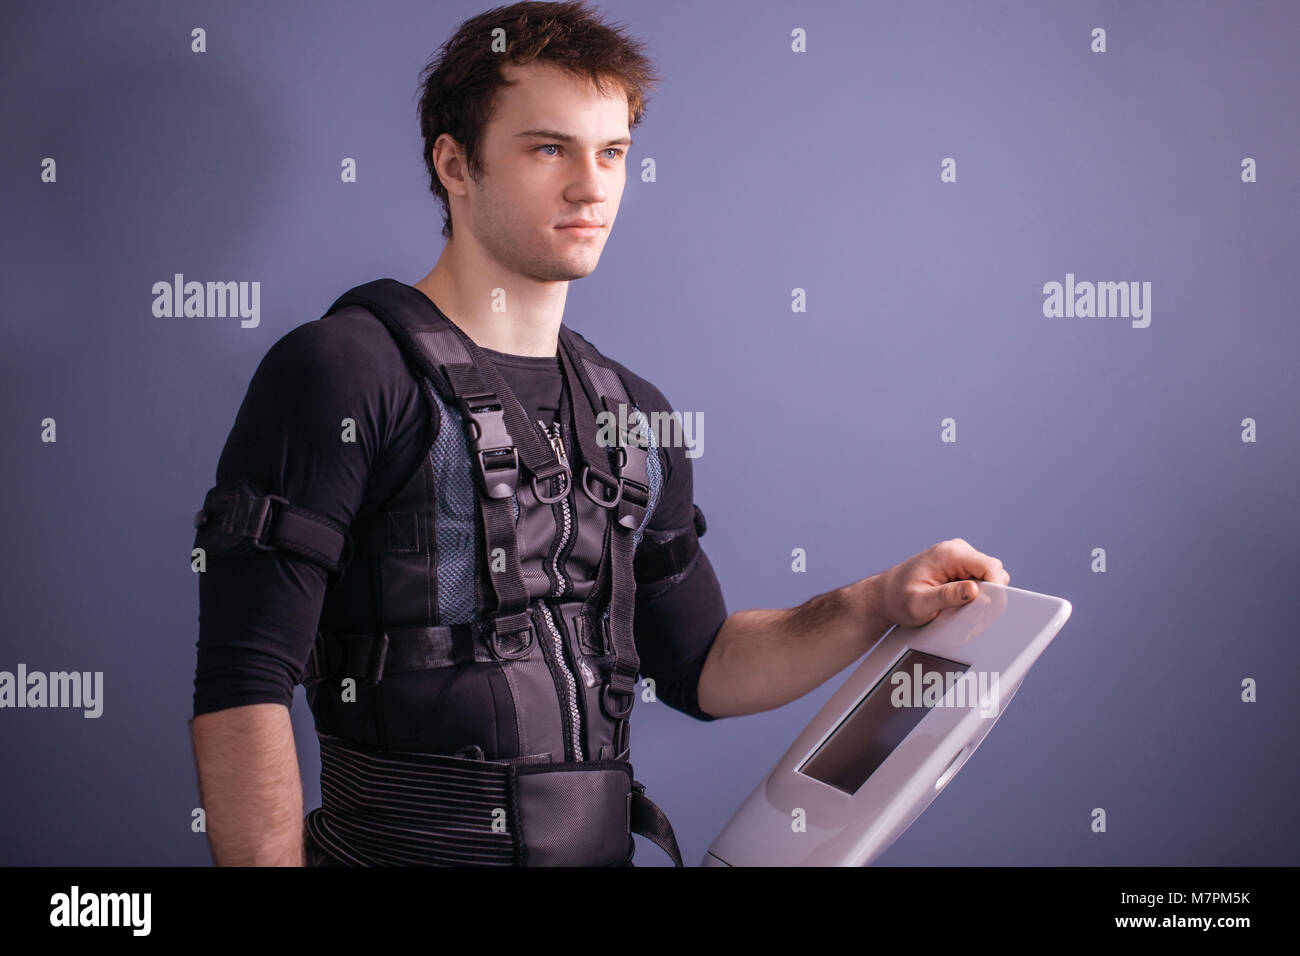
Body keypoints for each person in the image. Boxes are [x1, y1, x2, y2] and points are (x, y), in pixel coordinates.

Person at [188, 0, 1011, 867]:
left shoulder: (635, 415)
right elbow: (243, 687)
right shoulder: (343, 371)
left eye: (612, 152)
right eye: (550, 149)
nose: (592, 185)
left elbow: (703, 667)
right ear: (455, 163)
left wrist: (874, 603)